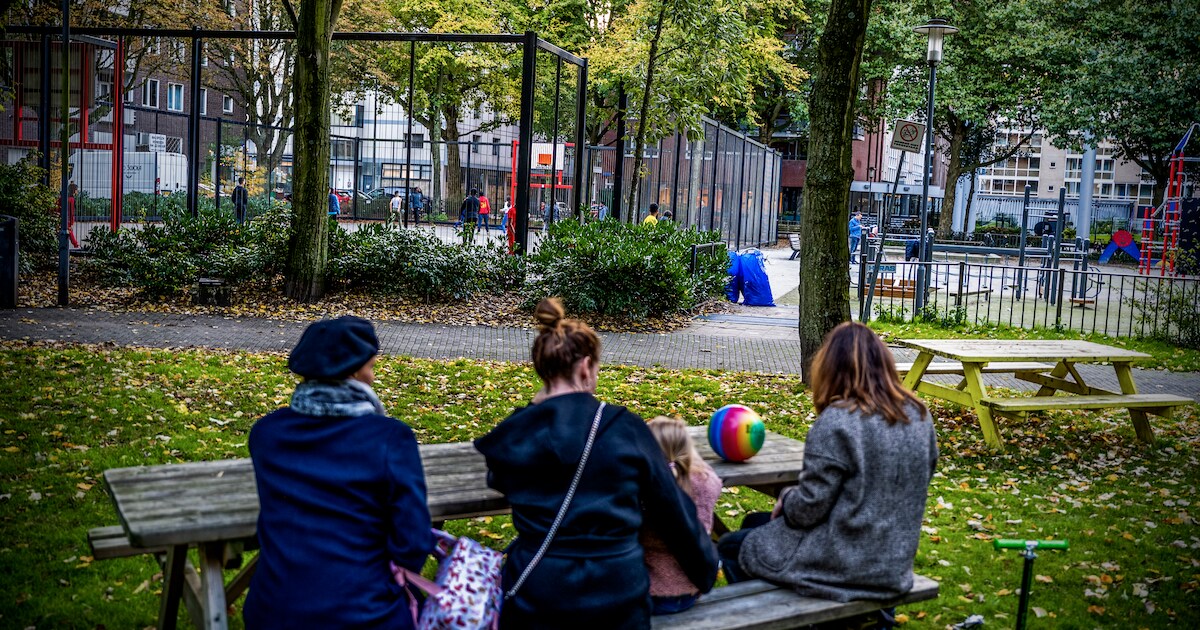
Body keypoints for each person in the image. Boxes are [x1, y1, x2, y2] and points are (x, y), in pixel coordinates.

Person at [474, 299, 718, 629]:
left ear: (543, 371)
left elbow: (499, 479)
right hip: (618, 596)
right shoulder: (625, 429)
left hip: (539, 595)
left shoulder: (515, 435)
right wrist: (704, 571)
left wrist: (537, 404)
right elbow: (674, 512)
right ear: (586, 367)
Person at [718, 322, 937, 612]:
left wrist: (787, 496)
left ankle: (782, 616)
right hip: (892, 561)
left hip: (844, 561)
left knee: (732, 546)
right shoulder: (918, 416)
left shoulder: (838, 421)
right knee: (754, 525)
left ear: (830, 368)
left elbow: (807, 511)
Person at [243, 316, 433, 629]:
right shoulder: (389, 439)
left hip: (274, 609)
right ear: (355, 372)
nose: (373, 378)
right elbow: (413, 542)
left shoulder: (266, 434)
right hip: (365, 613)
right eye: (372, 368)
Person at [641, 417, 721, 616]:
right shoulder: (705, 482)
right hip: (690, 592)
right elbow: (712, 477)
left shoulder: (643, 489)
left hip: (651, 594)